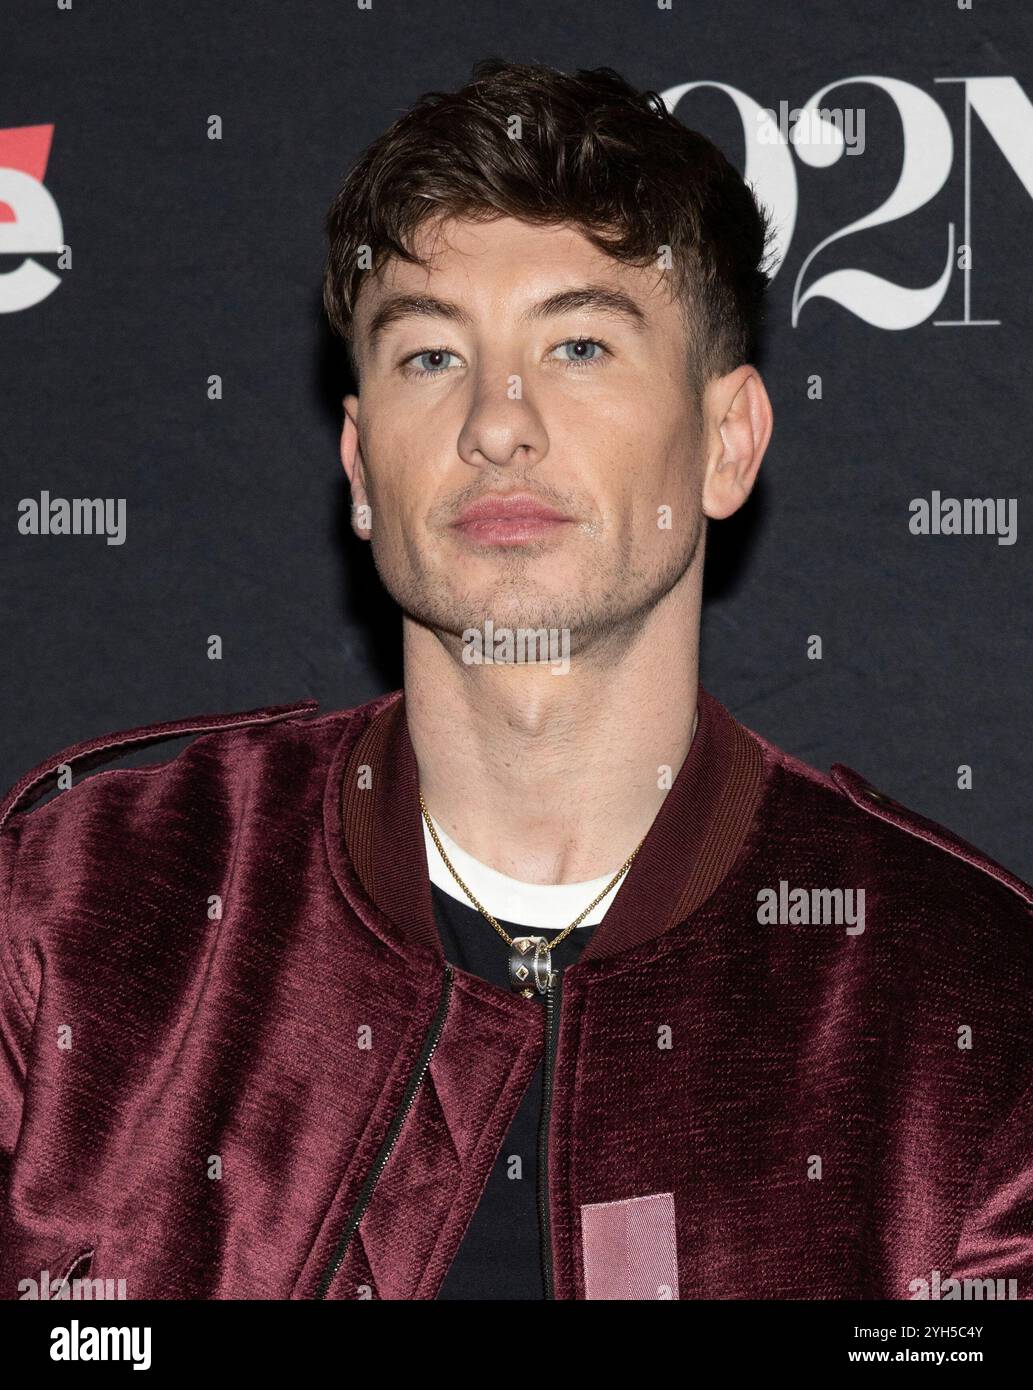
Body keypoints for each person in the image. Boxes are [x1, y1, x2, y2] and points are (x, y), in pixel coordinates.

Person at [2, 59, 1031, 1303]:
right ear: (360, 462)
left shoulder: (969, 1007)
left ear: (726, 442)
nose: (498, 421)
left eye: (580, 344)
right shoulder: (76, 910)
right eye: (432, 356)